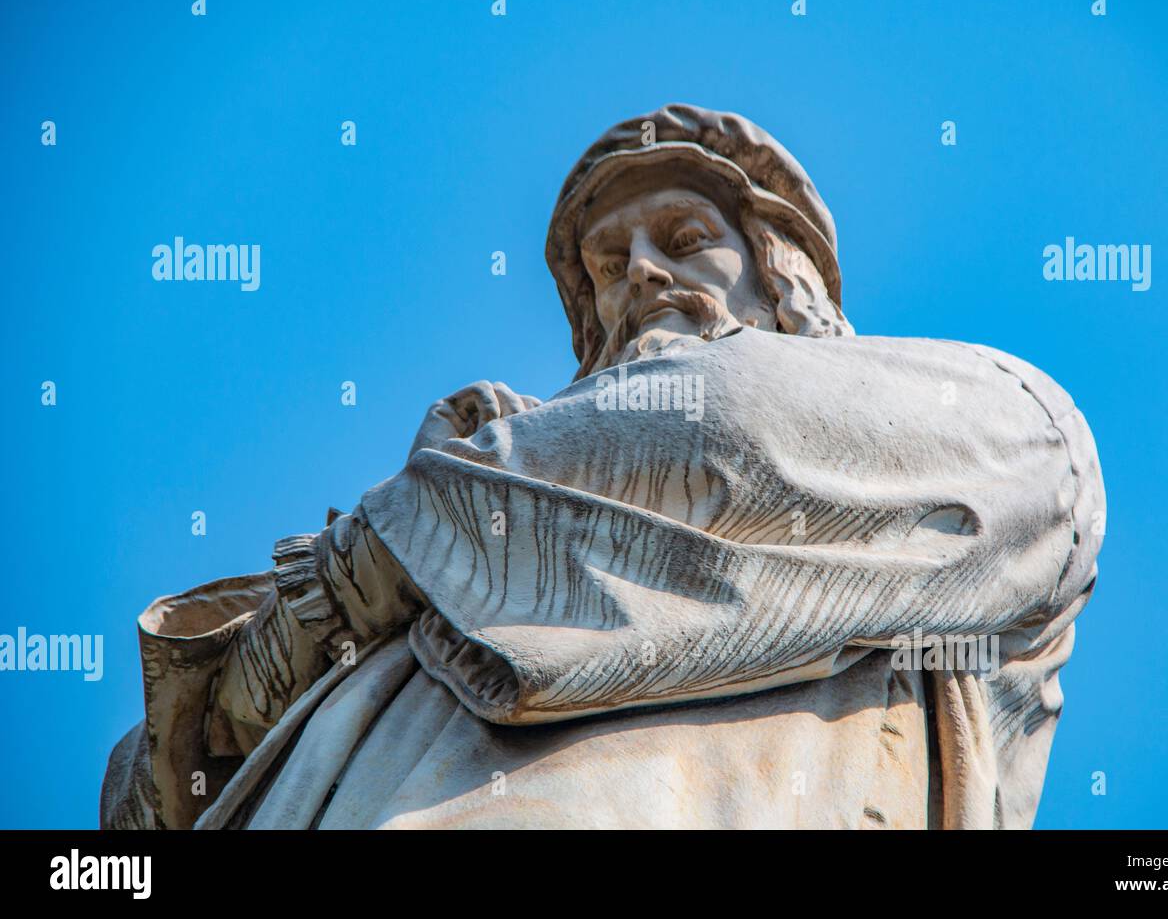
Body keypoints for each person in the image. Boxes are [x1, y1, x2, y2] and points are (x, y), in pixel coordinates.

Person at [102, 105, 1104, 829]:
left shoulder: (992, 412)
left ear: (780, 275)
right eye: (607, 265)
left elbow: (730, 426)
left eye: (684, 239)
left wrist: (382, 550)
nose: (641, 276)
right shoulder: (459, 501)